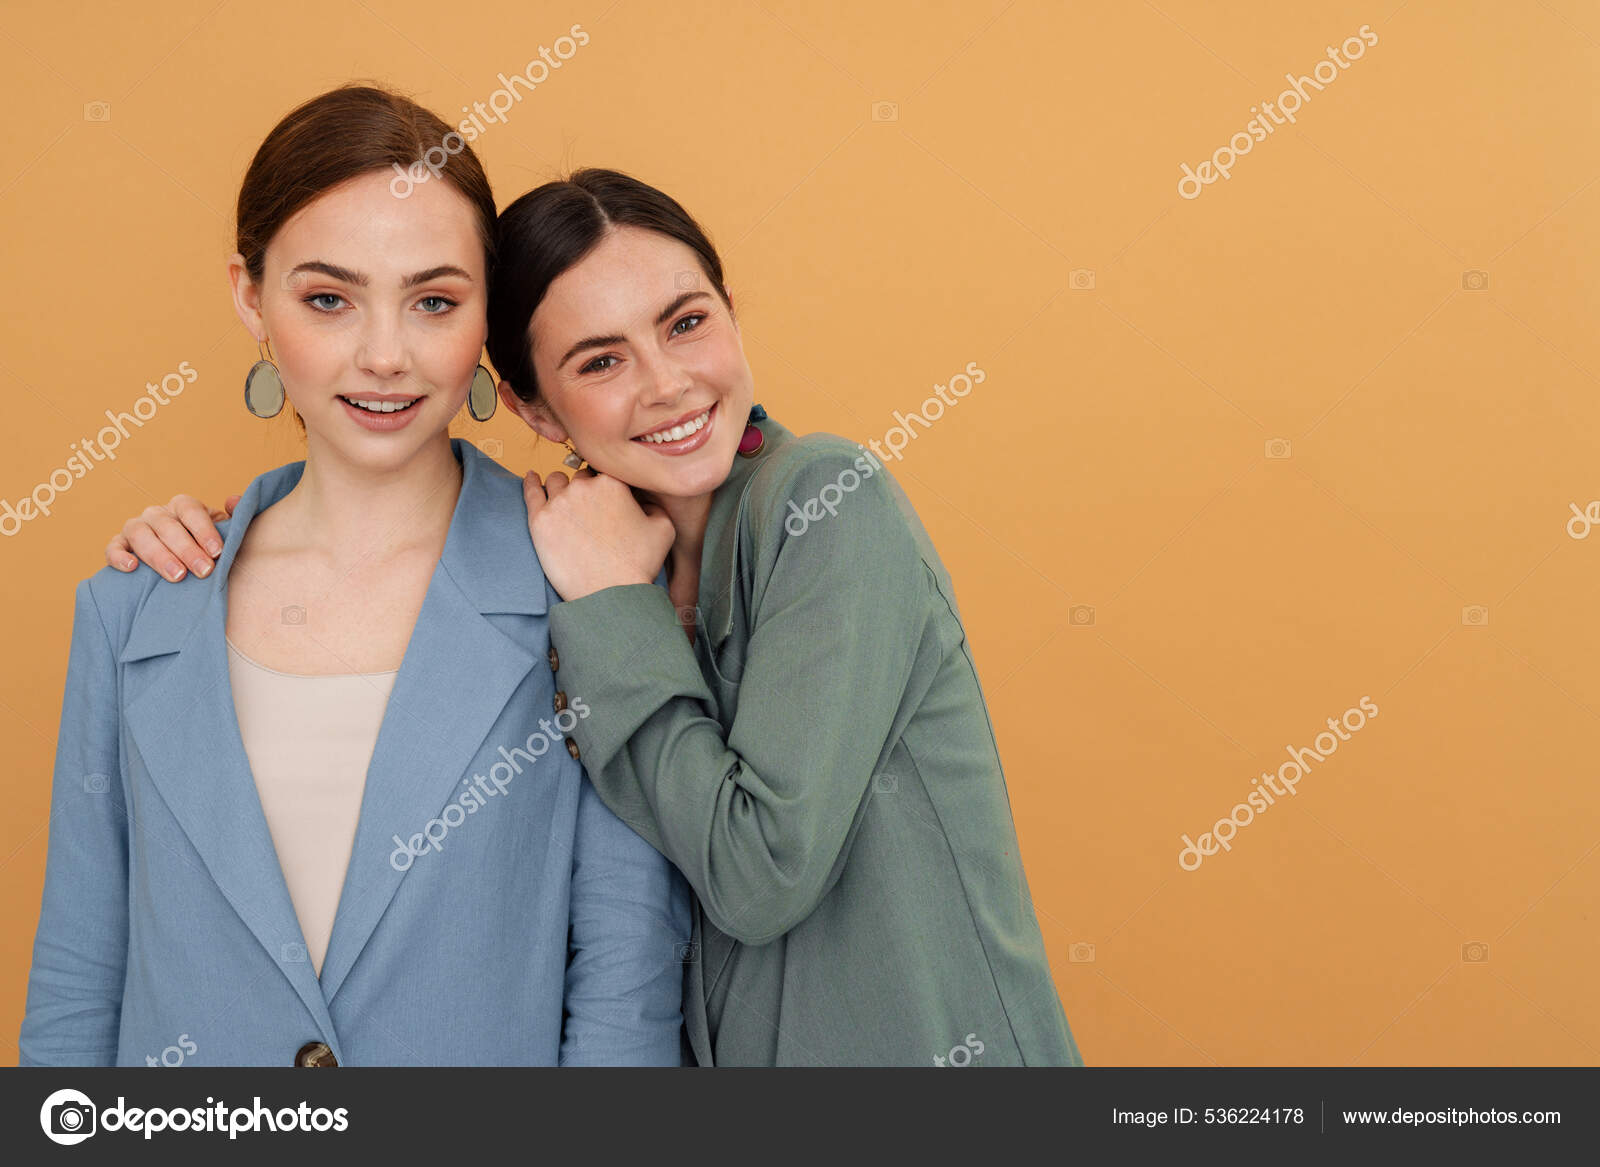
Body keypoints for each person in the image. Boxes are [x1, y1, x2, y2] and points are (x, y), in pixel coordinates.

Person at [106, 169, 1083, 1067]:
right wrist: (227, 541)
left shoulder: (824, 501)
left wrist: (613, 606)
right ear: (536, 410)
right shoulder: (579, 565)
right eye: (600, 360)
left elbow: (759, 871)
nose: (665, 383)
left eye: (687, 323)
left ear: (733, 315)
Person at [23, 89, 689, 1068]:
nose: (385, 356)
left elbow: (626, 981)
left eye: (434, 301)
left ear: (483, 319)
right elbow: (81, 976)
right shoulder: (134, 604)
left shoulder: (589, 581)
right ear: (251, 296)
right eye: (328, 298)